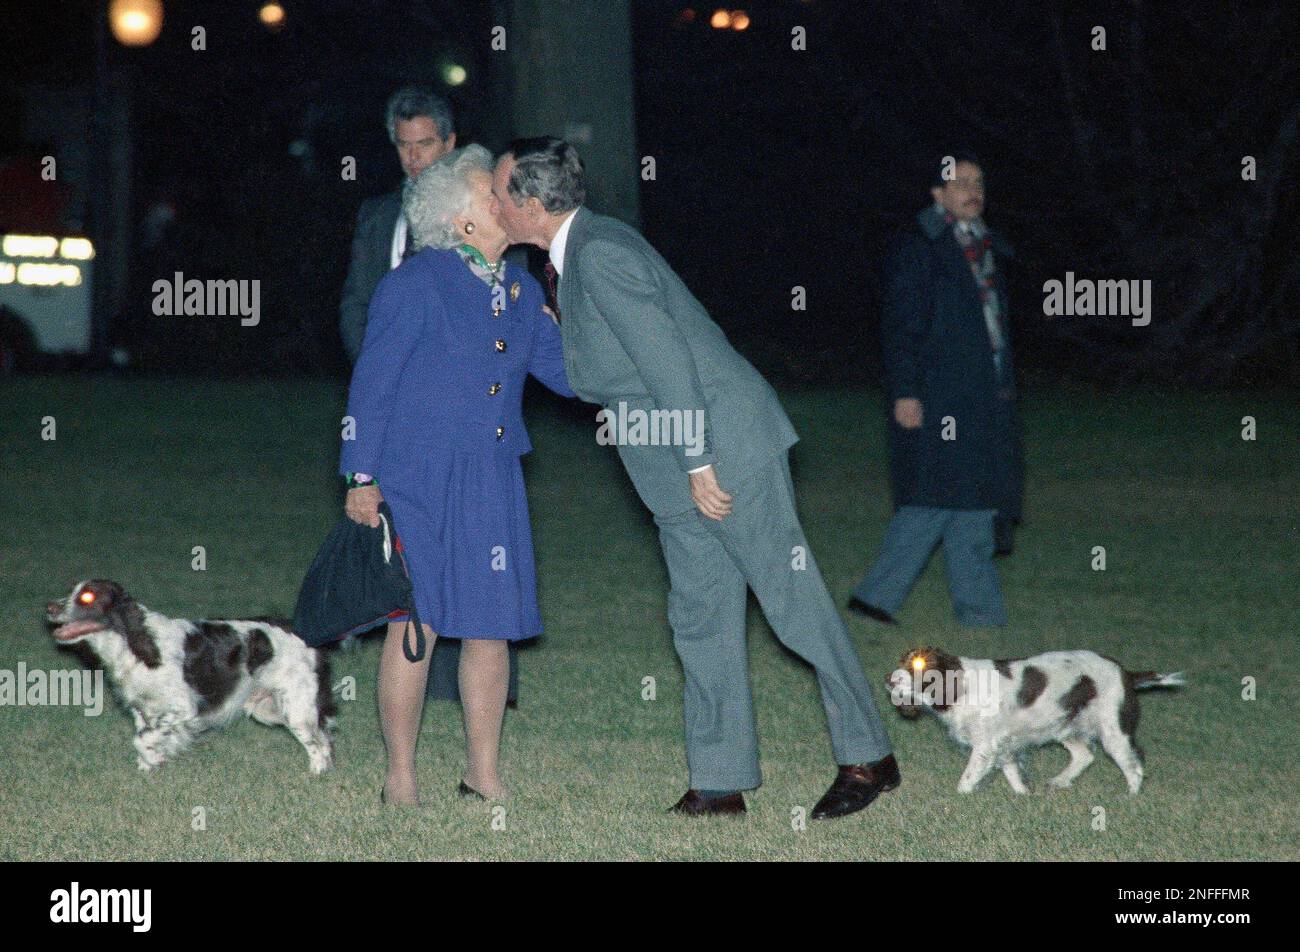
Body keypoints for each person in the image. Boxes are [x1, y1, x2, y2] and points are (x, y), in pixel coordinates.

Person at [491, 137, 898, 820]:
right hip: (677, 467)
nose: (496, 204)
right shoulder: (576, 256)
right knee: (700, 618)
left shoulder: (602, 255)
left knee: (792, 603)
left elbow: (669, 365)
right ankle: (720, 779)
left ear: (532, 204)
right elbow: (606, 367)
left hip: (719, 453)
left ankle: (868, 756)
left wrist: (699, 463)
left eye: (502, 193)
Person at [340, 145, 573, 805]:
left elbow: (567, 374)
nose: (505, 202)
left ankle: (484, 773)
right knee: (416, 624)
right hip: (417, 479)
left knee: (490, 626)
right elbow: (371, 387)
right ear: (461, 220)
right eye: (489, 194)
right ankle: (401, 777)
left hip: (493, 477)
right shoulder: (414, 283)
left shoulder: (524, 289)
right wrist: (361, 475)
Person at [337, 85, 521, 705]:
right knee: (409, 592)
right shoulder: (382, 218)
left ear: (448, 142)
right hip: (402, 431)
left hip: (474, 442)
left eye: (425, 145)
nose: (414, 157)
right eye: (403, 146)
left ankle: (478, 745)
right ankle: (402, 770)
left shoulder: (500, 250)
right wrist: (381, 399)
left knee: (483, 592)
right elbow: (359, 311)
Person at [848, 150, 1023, 628]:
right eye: (962, 182)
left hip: (983, 394)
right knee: (933, 497)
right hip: (937, 393)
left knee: (976, 501)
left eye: (979, 181)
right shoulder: (920, 247)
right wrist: (906, 391)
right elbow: (902, 326)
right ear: (937, 193)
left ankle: (980, 614)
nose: (974, 191)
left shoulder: (986, 247)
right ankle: (874, 598)